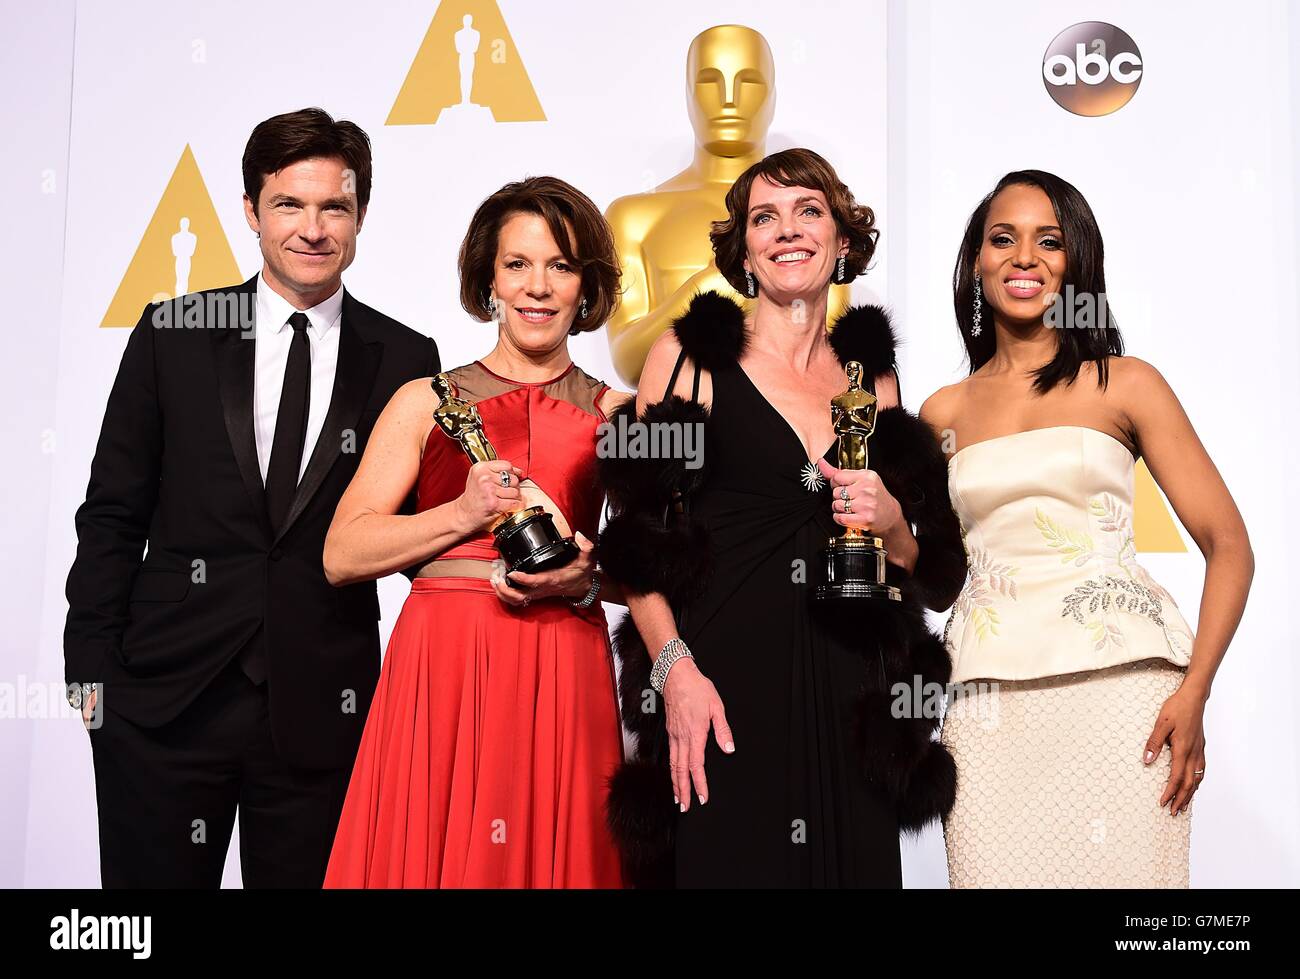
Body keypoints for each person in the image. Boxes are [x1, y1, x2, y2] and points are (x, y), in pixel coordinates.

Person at [64, 107, 439, 887]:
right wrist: (92, 675)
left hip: (322, 709)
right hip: (163, 701)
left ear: (360, 214)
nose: (312, 228)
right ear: (251, 212)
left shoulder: (406, 356)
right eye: (289, 205)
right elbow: (112, 511)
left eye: (334, 206)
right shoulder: (174, 330)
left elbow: (412, 532)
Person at [598, 148, 968, 887]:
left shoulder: (875, 377)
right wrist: (675, 673)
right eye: (765, 217)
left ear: (841, 239)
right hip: (722, 686)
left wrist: (895, 522)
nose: (787, 230)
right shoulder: (688, 358)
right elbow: (634, 551)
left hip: (851, 693)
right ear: (743, 250)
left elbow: (938, 577)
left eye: (809, 211)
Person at [921, 169, 1253, 887]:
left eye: (1050, 241)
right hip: (987, 709)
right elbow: (937, 578)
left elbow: (1230, 545)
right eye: (1002, 239)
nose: (1024, 258)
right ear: (977, 260)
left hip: (1124, 699)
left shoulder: (1127, 382)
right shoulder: (941, 411)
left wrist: (1194, 691)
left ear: (1078, 261)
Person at [322, 176, 628, 888]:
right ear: (487, 279)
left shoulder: (621, 414)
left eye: (561, 265)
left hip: (562, 658)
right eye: (518, 264)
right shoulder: (423, 401)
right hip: (443, 664)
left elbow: (663, 572)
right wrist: (460, 514)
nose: (538, 286)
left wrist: (589, 578)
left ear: (586, 288)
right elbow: (342, 552)